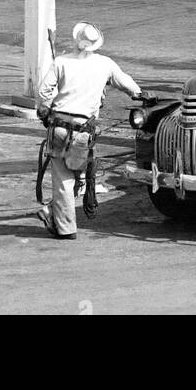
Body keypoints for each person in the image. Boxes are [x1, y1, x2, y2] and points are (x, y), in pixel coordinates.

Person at [35, 21, 145, 240]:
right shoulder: (105, 64)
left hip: (59, 127)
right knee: (78, 175)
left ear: (77, 41)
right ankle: (56, 215)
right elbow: (129, 85)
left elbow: (43, 92)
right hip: (83, 132)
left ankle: (63, 224)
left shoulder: (62, 62)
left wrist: (44, 111)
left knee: (64, 179)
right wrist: (142, 95)